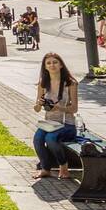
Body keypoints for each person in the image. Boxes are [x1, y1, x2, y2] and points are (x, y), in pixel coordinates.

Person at [32, 52, 79, 180]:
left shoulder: (70, 83)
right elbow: (36, 109)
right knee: (37, 139)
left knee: (51, 139)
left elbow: (74, 109)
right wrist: (39, 104)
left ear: (61, 65)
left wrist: (58, 107)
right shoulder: (43, 83)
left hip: (66, 124)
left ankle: (63, 167)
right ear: (45, 67)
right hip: (50, 124)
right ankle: (45, 169)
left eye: (55, 62)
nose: (52, 65)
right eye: (48, 63)